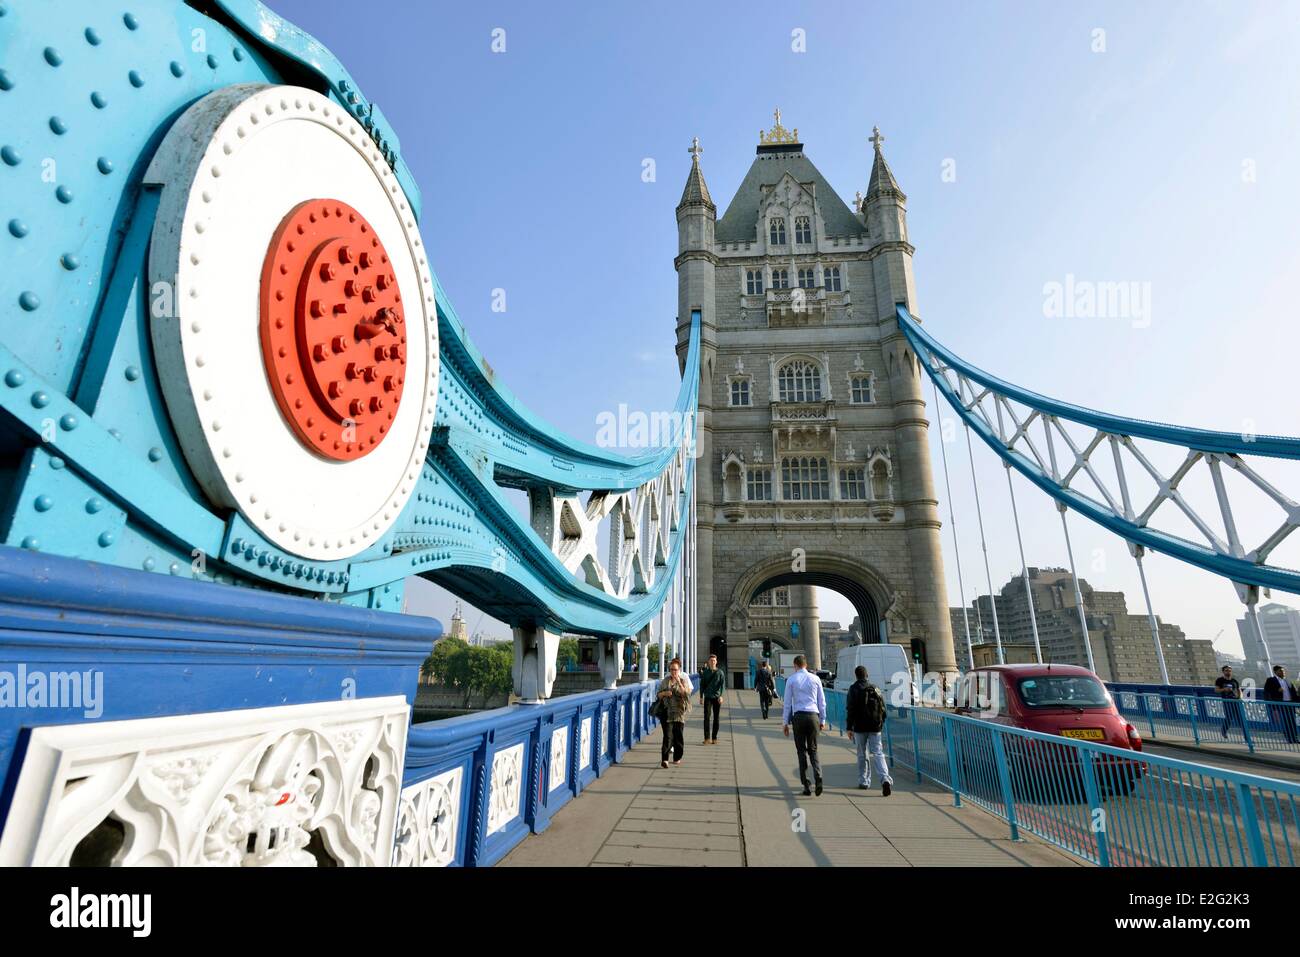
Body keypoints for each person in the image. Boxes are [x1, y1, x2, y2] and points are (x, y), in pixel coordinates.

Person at [781, 655, 827, 796]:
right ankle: (818, 778)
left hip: (799, 717)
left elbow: (787, 703)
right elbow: (822, 702)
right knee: (813, 750)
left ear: (795, 665)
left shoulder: (791, 680)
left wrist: (785, 723)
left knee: (801, 751)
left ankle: (806, 785)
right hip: (813, 716)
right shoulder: (816, 679)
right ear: (806, 665)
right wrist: (823, 720)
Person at [845, 665, 893, 796]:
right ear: (867, 675)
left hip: (860, 727)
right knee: (878, 753)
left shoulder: (853, 689)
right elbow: (883, 707)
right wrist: (881, 722)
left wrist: (849, 727)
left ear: (856, 675)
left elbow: (850, 709)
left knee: (862, 753)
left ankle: (864, 781)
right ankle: (885, 779)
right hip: (875, 726)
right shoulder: (875, 688)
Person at [657, 657, 692, 767]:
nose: (673, 672)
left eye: (675, 670)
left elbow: (686, 694)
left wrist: (679, 683)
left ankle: (677, 757)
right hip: (667, 713)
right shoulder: (665, 681)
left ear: (679, 670)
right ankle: (665, 759)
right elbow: (658, 695)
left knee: (678, 738)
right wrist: (664, 694)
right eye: (672, 669)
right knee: (667, 736)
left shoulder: (683, 681)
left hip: (679, 714)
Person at [1263, 664, 1299, 744]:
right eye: (1281, 671)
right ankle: (1289, 739)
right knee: (1286, 721)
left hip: (1290, 704)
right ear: (1275, 672)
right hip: (1281, 704)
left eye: (1283, 671)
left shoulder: (1288, 681)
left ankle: (1295, 738)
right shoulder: (1271, 680)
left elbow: (1294, 694)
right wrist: (1277, 692)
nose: (1283, 672)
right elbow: (1266, 693)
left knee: (1292, 721)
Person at [698, 654, 725, 744]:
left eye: (714, 660)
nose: (712, 662)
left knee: (716, 718)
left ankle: (714, 738)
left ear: (716, 662)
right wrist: (701, 697)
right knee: (706, 717)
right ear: (709, 662)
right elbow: (702, 685)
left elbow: (723, 685)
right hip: (708, 697)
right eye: (711, 660)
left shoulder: (720, 672)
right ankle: (707, 738)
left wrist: (721, 696)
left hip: (717, 698)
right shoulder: (705, 672)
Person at [1215, 665, 1243, 739]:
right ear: (1223, 671)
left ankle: (1247, 737)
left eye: (1230, 670)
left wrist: (1240, 697)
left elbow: (1239, 690)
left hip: (1236, 701)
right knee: (1229, 717)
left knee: (1241, 719)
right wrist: (1224, 689)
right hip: (1227, 702)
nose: (1228, 672)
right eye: (1226, 670)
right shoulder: (1220, 680)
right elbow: (1216, 690)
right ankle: (1224, 731)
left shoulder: (1234, 681)